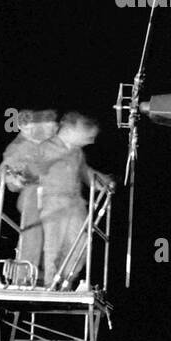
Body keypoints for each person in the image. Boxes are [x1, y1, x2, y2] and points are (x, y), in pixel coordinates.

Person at [39, 113, 106, 289]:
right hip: (53, 202)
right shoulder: (46, 147)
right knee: (53, 246)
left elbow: (86, 172)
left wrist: (104, 181)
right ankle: (50, 283)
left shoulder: (77, 152)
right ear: (70, 130)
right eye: (87, 136)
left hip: (75, 205)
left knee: (81, 245)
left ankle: (66, 281)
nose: (90, 141)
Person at [0, 110, 60, 286]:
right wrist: (13, 178)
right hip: (34, 197)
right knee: (33, 235)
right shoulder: (19, 146)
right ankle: (25, 277)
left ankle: (51, 277)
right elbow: (4, 170)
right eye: (26, 130)